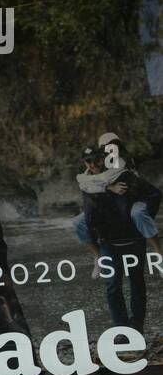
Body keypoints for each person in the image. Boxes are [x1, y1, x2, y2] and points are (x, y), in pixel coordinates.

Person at [79, 141, 161, 335]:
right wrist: (107, 189)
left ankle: (137, 328)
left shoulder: (124, 175)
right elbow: (89, 218)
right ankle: (121, 331)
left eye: (96, 159)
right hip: (108, 242)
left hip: (133, 239)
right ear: (85, 163)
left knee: (136, 282)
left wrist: (142, 215)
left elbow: (155, 194)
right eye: (88, 161)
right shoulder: (87, 185)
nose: (93, 164)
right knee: (112, 285)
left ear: (103, 158)